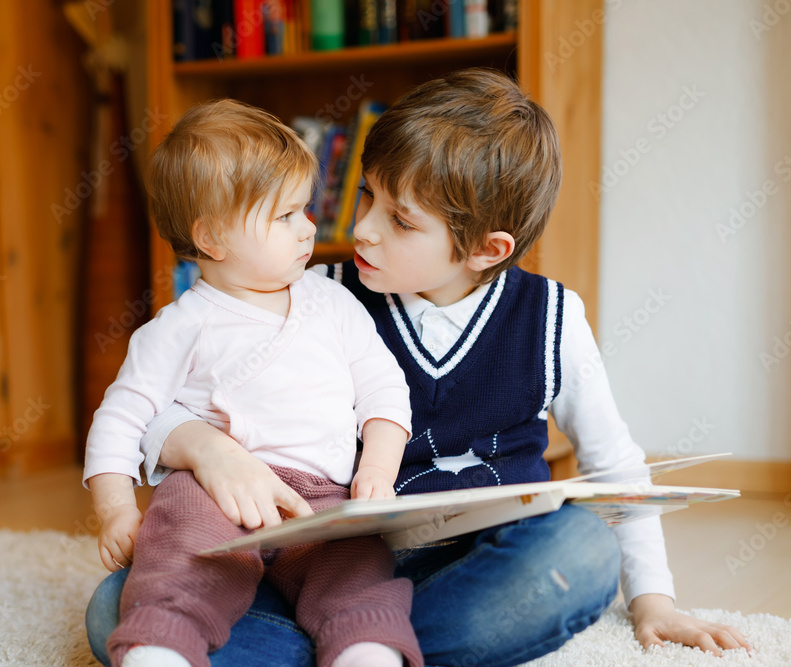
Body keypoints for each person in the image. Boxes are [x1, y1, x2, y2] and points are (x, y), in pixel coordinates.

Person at [86, 68, 752, 666]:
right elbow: (156, 400)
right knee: (115, 605)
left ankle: (354, 641)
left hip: (468, 572)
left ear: (486, 249)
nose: (362, 228)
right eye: (366, 195)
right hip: (326, 557)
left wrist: (654, 601)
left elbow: (615, 464)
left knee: (582, 549)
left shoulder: (550, 318)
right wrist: (205, 448)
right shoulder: (314, 292)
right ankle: (355, 642)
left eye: (400, 220)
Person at [83, 99, 424, 667]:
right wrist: (116, 508)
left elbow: (384, 392)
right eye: (285, 216)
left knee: (358, 569)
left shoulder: (333, 303)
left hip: (323, 499)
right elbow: (122, 417)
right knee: (180, 554)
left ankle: (364, 648)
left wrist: (378, 472)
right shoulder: (178, 327)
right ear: (213, 238)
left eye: (305, 209)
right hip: (213, 493)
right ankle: (161, 644)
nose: (308, 227)